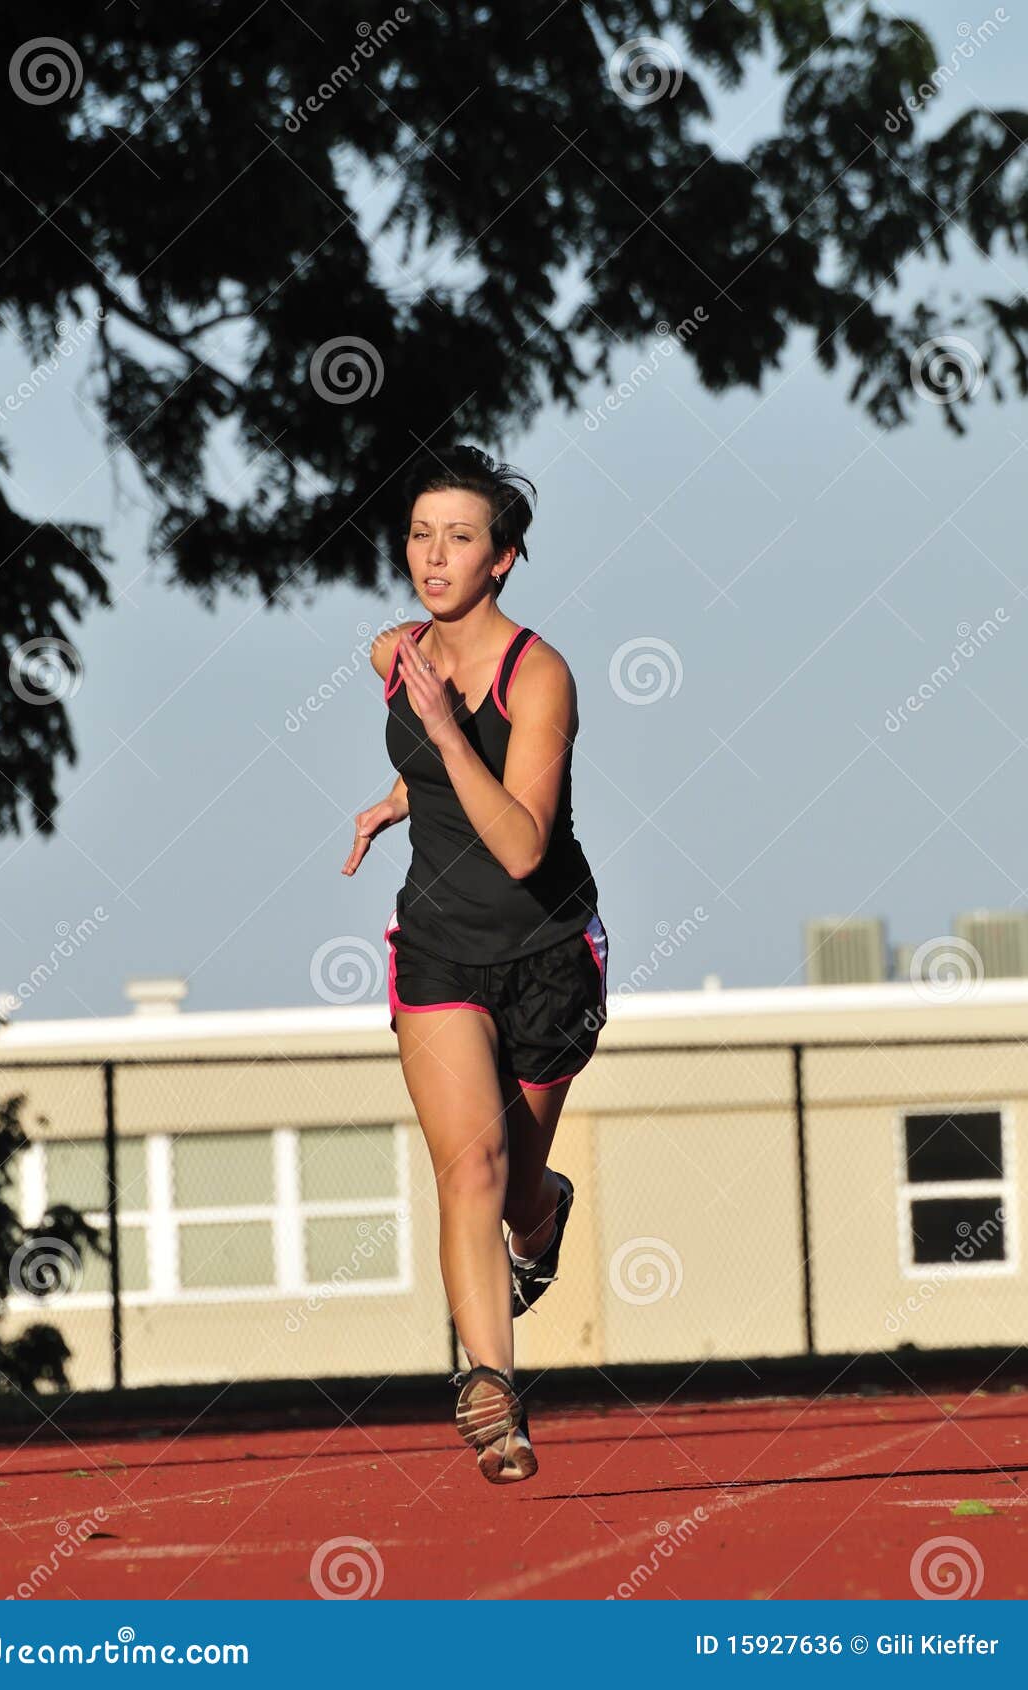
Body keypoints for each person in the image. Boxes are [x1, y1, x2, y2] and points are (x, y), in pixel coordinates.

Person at [341, 444, 608, 1484]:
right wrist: (403, 791)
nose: (433, 554)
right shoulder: (392, 653)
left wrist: (445, 739)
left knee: (515, 1192)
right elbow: (439, 767)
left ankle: (544, 1221)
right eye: (419, 534)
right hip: (440, 948)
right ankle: (491, 1388)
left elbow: (524, 844)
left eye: (459, 537)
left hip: (548, 952)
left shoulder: (540, 673)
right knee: (470, 1167)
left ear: (502, 559)